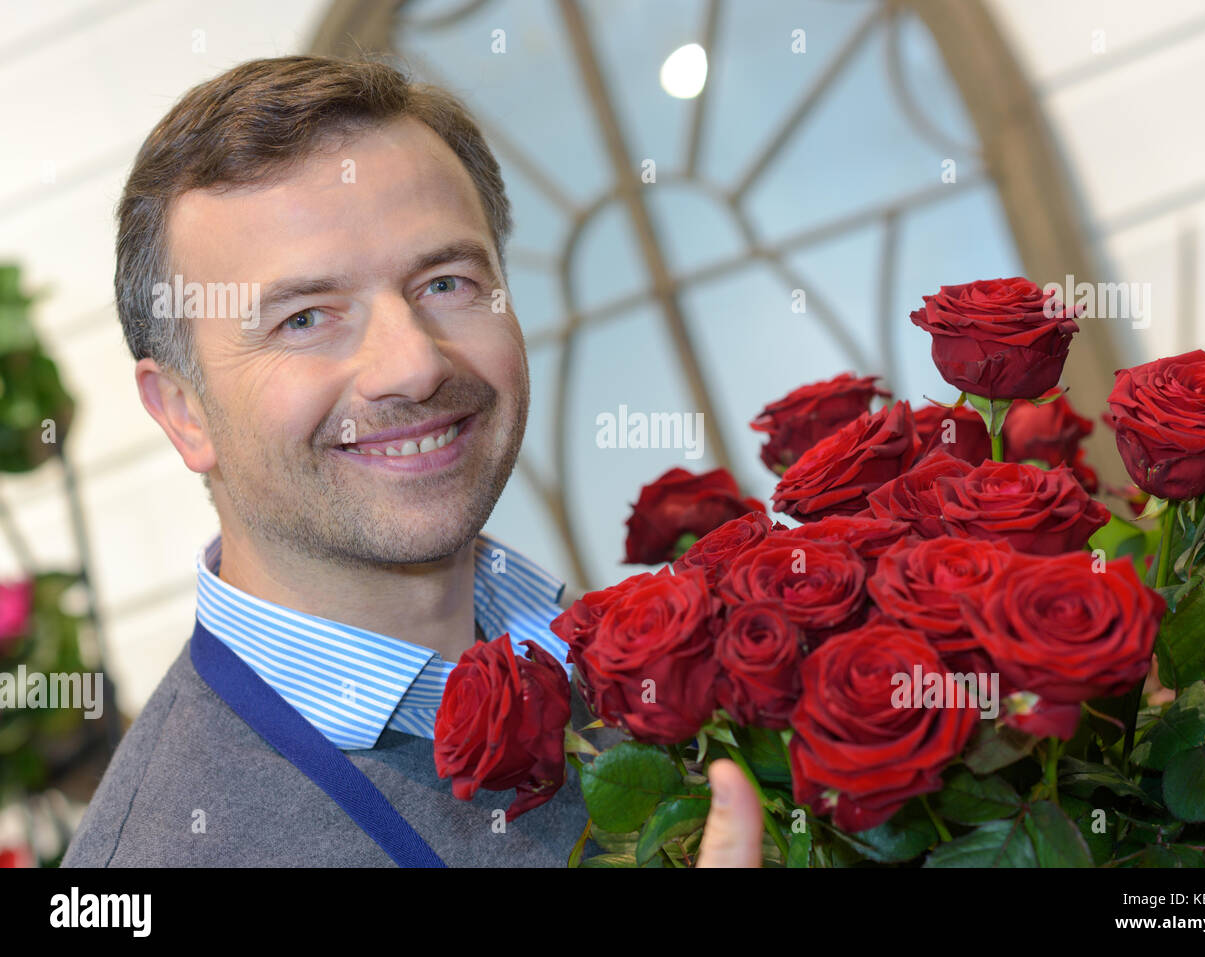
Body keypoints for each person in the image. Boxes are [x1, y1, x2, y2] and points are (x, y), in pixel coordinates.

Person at [62, 55, 760, 868]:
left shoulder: (642, 669)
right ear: (183, 413)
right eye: (306, 317)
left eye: (445, 283)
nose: (414, 365)